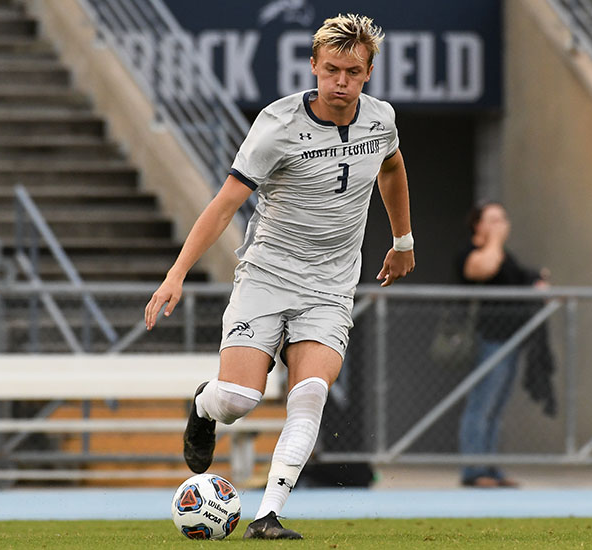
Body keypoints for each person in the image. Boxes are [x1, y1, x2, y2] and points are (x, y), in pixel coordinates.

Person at [144, 14, 414, 539]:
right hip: (267, 276)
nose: (341, 82)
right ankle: (203, 405)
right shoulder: (277, 124)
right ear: (312, 65)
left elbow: (393, 168)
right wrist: (175, 274)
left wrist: (402, 240)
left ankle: (267, 515)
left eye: (353, 72)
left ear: (369, 72)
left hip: (331, 286)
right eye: (331, 69)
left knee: (310, 390)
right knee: (238, 402)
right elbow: (225, 204)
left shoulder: (381, 120)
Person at [456, 201, 548, 489]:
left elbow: (521, 278)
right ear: (478, 225)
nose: (501, 225)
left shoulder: (505, 256)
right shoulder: (472, 254)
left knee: (496, 407)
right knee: (480, 404)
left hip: (511, 340)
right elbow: (483, 269)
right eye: (493, 220)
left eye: (503, 220)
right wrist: (493, 240)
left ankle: (490, 467)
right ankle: (473, 470)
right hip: (487, 339)